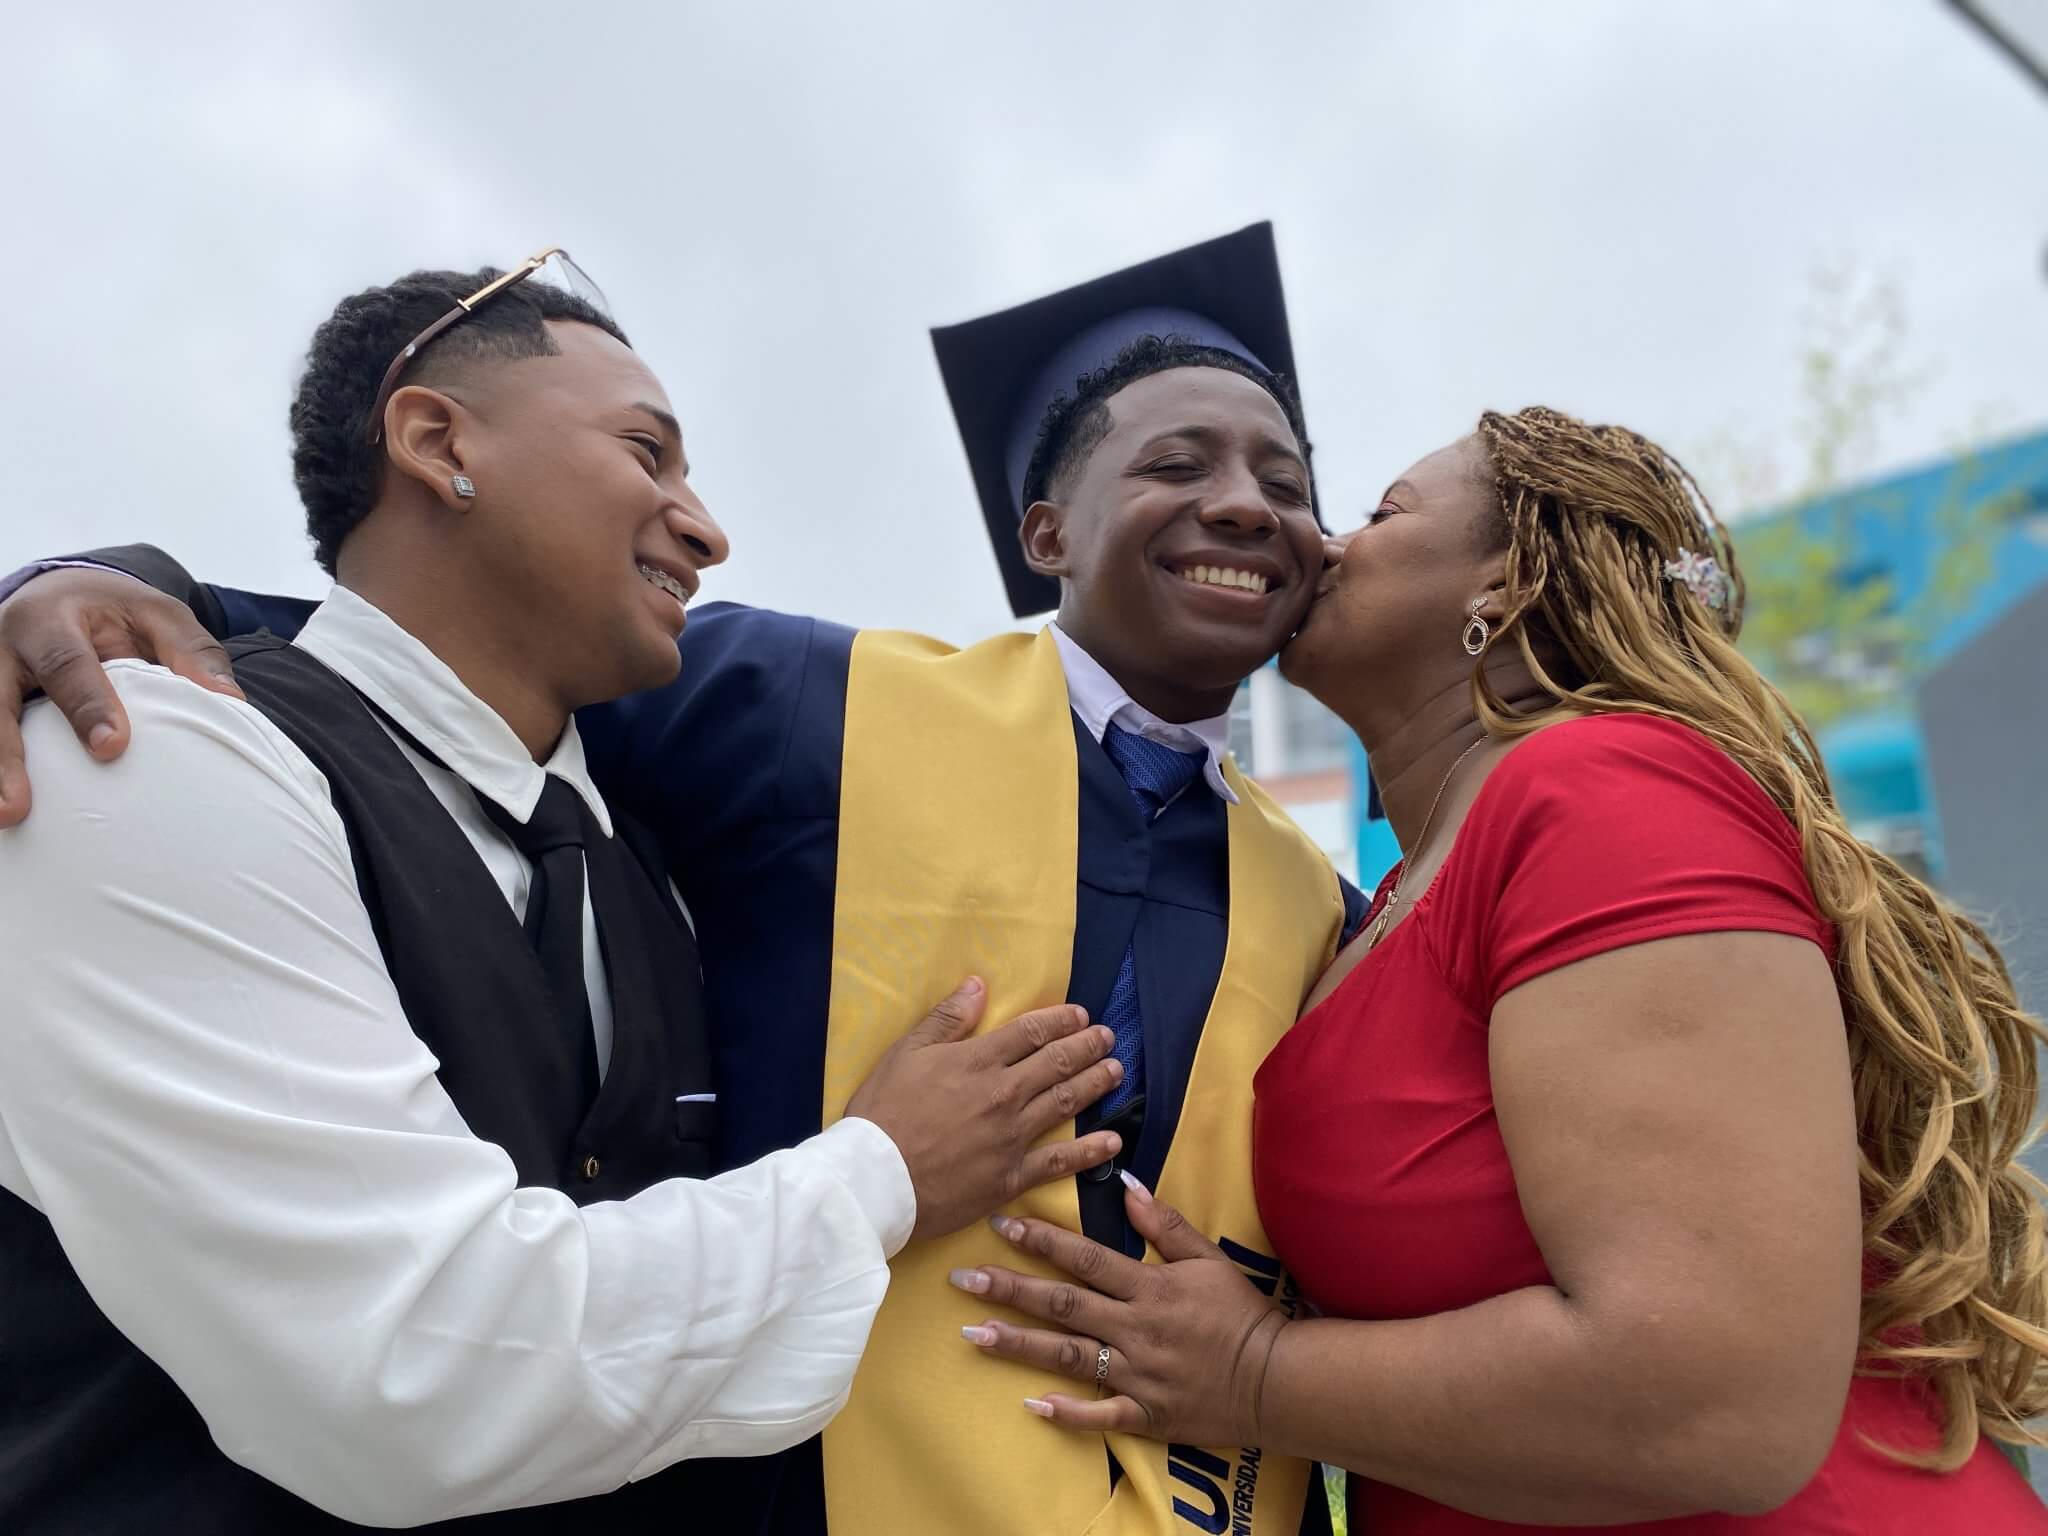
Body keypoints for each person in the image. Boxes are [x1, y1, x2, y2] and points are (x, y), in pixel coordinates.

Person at [0, 225, 1364, 1535]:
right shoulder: (821, 699)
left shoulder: (1316, 895)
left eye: (1292, 485)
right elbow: (402, 654)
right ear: (1048, 533)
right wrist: (96, 583)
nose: (1246, 503)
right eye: (1176, 461)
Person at [945, 405, 2048, 1532]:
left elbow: (1713, 1401)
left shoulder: (1596, 789)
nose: (1321, 541)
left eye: (1382, 514)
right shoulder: (1385, 901)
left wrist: (1254, 1374)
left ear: (1503, 587)